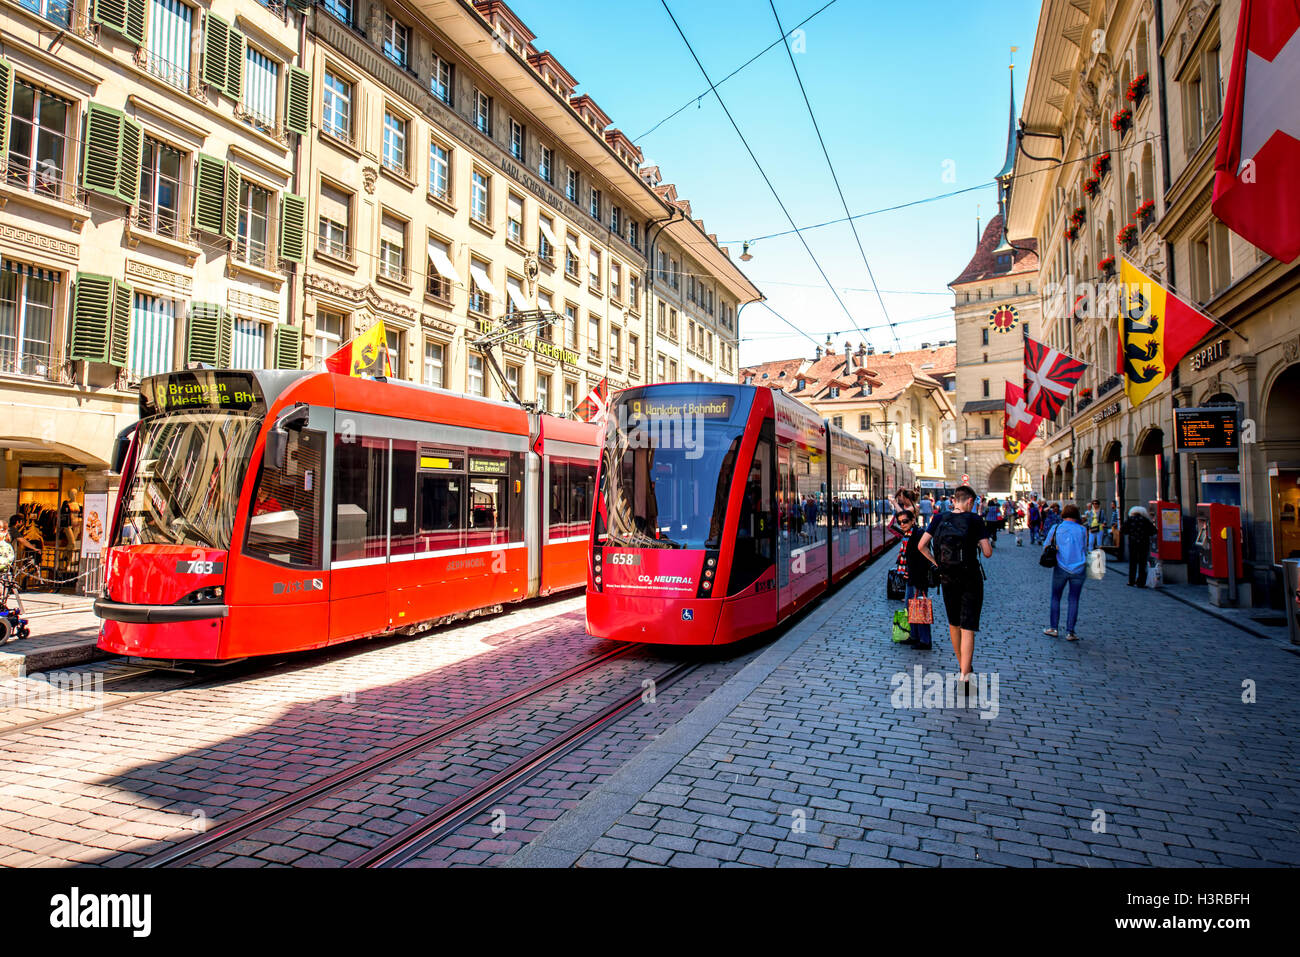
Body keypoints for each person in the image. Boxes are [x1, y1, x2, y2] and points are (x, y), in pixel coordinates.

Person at [918, 485, 992, 684]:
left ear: (954, 500)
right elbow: (987, 552)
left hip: (947, 577)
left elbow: (921, 546)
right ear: (970, 501)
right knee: (968, 626)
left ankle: (963, 666)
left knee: (954, 624)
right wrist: (977, 541)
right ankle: (964, 676)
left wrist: (937, 563)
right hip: (970, 578)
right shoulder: (975, 520)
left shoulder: (939, 518)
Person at [1043, 504, 1088, 641]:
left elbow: (1046, 546)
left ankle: (1054, 628)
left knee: (1056, 597)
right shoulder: (1082, 530)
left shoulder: (1056, 528)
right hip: (1079, 568)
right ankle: (1070, 632)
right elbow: (1086, 548)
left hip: (1061, 567)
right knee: (1074, 599)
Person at [894, 508, 932, 650]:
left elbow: (923, 558)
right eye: (900, 522)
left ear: (913, 521)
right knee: (911, 608)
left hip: (918, 577)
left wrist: (917, 576)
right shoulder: (907, 534)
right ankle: (915, 636)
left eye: (905, 521)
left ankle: (925, 640)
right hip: (911, 576)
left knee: (920, 608)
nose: (902, 524)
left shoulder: (918, 534)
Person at [1123, 505, 1158, 587]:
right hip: (1143, 543)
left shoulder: (1130, 520)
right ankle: (1141, 582)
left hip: (1133, 543)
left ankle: (1131, 581)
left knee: (1132, 562)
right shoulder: (1145, 520)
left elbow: (1124, 530)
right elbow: (1153, 531)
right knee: (1142, 562)